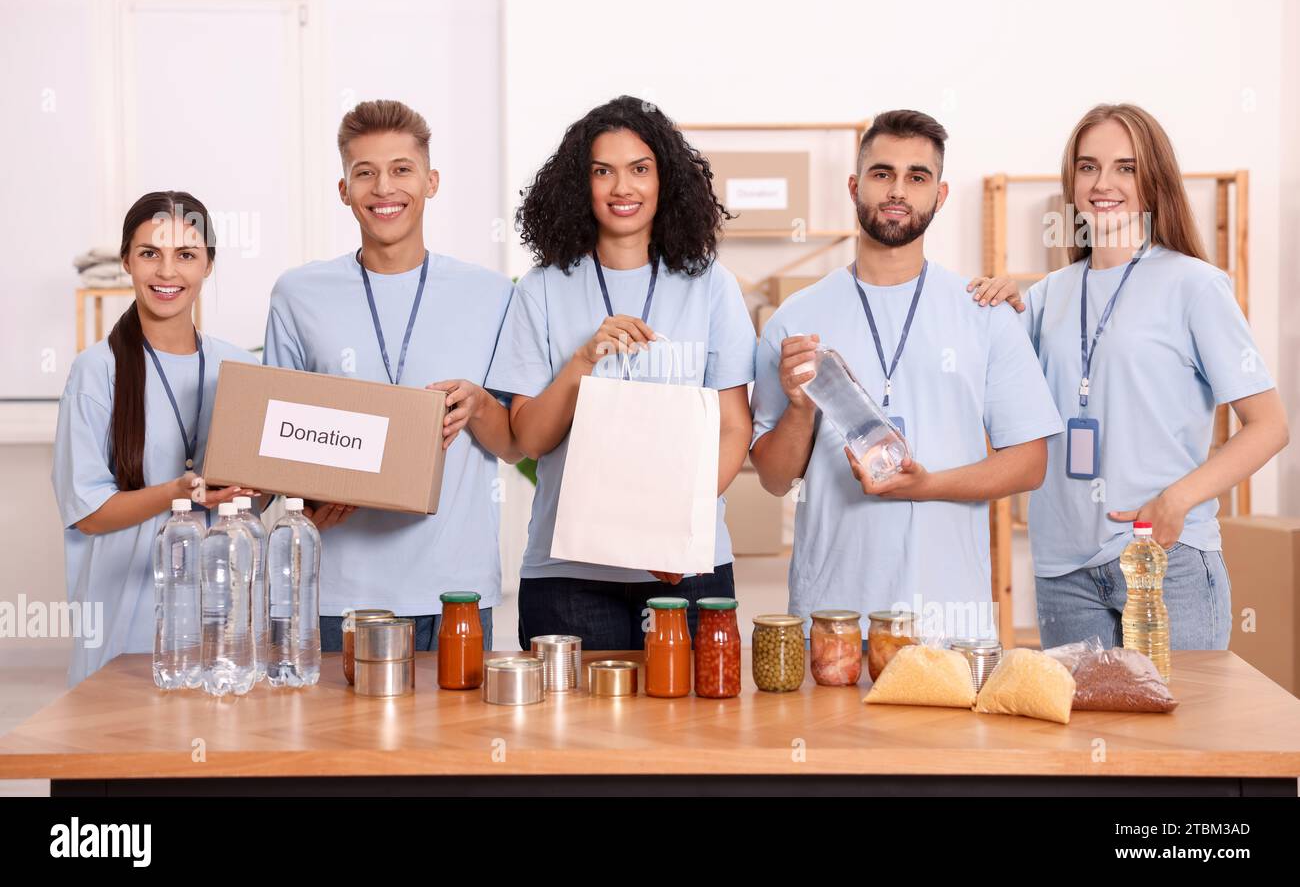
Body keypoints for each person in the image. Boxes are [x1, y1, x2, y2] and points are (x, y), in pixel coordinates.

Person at [967, 103, 1288, 649]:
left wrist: (1176, 501)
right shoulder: (1046, 295)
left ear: (1153, 179)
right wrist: (996, 309)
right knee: (1083, 711)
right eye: (1088, 167)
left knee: (1178, 711)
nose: (1103, 183)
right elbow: (993, 411)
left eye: (1126, 167)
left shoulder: (1195, 286)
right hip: (1064, 573)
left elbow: (1270, 426)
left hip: (1164, 557)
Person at [750, 110, 1063, 641]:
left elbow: (1030, 464)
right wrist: (800, 409)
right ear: (855, 186)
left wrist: (927, 486)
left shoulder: (984, 313)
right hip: (833, 620)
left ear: (940, 196)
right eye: (882, 173)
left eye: (917, 177)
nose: (898, 190)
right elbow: (775, 479)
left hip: (950, 623)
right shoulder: (795, 319)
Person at [485, 96, 756, 649]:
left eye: (639, 169)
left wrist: (671, 526)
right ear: (578, 184)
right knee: (573, 712)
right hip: (567, 572)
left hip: (685, 564)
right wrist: (582, 362)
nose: (622, 188)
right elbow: (528, 439)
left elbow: (734, 427)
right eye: (602, 171)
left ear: (665, 180)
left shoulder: (711, 285)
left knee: (691, 710)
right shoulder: (541, 288)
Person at [263, 100, 519, 652]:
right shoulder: (298, 294)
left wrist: (478, 404)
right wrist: (306, 501)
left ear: (431, 181)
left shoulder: (492, 294)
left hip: (455, 590)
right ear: (344, 189)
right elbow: (274, 443)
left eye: (402, 169)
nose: (384, 188)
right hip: (335, 592)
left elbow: (515, 445)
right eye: (365, 173)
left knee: (455, 716)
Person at [52, 191, 259, 685]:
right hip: (125, 631)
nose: (167, 272)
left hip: (222, 633)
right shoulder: (96, 371)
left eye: (185, 255)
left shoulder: (241, 367)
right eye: (150, 253)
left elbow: (259, 491)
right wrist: (176, 492)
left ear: (208, 265)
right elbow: (88, 513)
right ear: (127, 260)